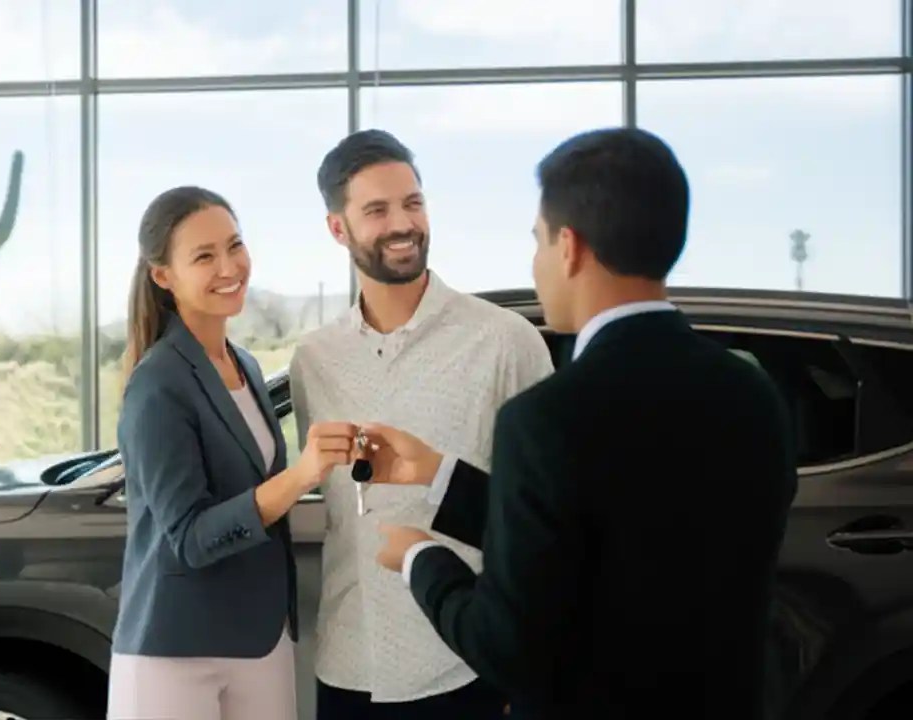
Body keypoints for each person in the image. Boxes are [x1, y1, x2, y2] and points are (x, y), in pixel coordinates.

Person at [364, 127, 800, 719]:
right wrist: (438, 474)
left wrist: (421, 558)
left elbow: (508, 647)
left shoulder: (545, 420)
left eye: (538, 242)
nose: (537, 262)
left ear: (569, 247)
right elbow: (618, 531)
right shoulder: (753, 394)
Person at [288, 129, 553, 719]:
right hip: (349, 662)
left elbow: (543, 522)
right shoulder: (314, 360)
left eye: (413, 202)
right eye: (377, 210)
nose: (403, 224)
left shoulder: (506, 342)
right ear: (339, 229)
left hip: (466, 660)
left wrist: (528, 675)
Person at [107, 185, 358, 720]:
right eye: (204, 256)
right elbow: (191, 538)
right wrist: (303, 474)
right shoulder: (157, 383)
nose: (229, 266)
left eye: (235, 245)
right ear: (162, 276)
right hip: (176, 650)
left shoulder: (241, 363)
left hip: (259, 640)